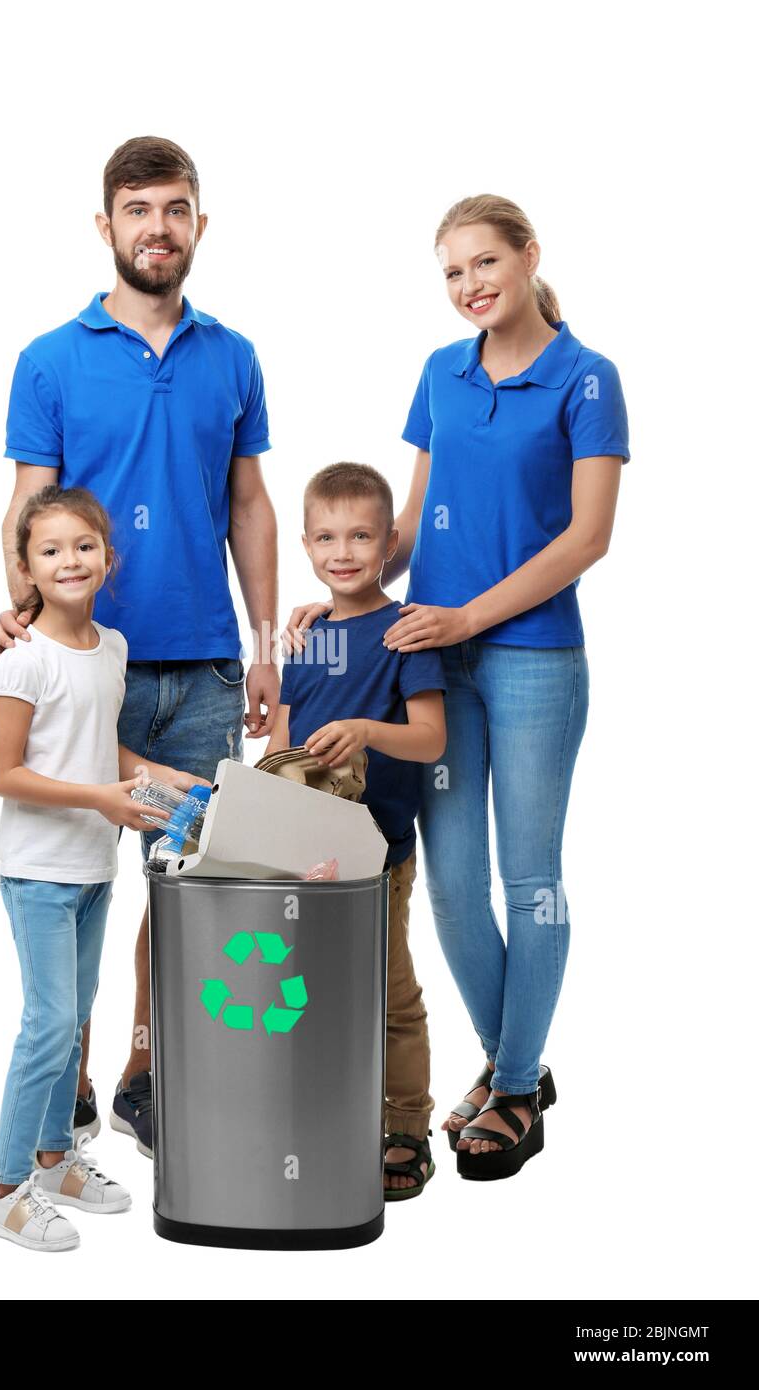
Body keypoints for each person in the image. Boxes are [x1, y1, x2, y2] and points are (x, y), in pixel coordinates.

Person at [287, 195, 629, 1181]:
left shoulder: (585, 379)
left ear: (528, 256)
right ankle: (515, 1063)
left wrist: (468, 617)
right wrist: (336, 597)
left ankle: (513, 1087)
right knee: (444, 886)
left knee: (529, 880)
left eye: (484, 263)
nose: (469, 285)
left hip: (528, 661)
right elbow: (409, 525)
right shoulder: (439, 372)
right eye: (450, 272)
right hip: (427, 659)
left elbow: (586, 538)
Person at [0, 137, 278, 1157]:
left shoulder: (231, 354)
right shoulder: (51, 358)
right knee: (72, 870)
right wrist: (21, 605)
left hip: (201, 663)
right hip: (87, 665)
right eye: (139, 208)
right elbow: (31, 501)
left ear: (198, 224)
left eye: (176, 208)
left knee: (181, 878)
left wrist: (263, 649)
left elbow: (248, 502)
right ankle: (60, 1067)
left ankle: (145, 1071)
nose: (158, 227)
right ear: (104, 224)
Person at [0, 484, 194, 1250]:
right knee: (46, 1026)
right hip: (38, 869)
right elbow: (3, 774)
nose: (69, 560)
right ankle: (6, 1188)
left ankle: (53, 1159)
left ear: (109, 557)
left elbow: (104, 753)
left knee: (72, 1019)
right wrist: (103, 801)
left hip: (92, 868)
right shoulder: (24, 659)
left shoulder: (111, 649)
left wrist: (165, 777)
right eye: (50, 550)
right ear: (26, 569)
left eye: (83, 547)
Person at [265, 463, 446, 1199]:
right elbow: (276, 742)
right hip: (299, 859)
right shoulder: (304, 638)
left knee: (388, 993)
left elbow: (431, 740)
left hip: (377, 856)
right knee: (307, 992)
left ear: (388, 542)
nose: (343, 551)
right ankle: (321, 1116)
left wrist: (370, 731)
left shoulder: (406, 632)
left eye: (362, 535)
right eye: (328, 537)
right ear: (306, 545)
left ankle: (406, 1126)